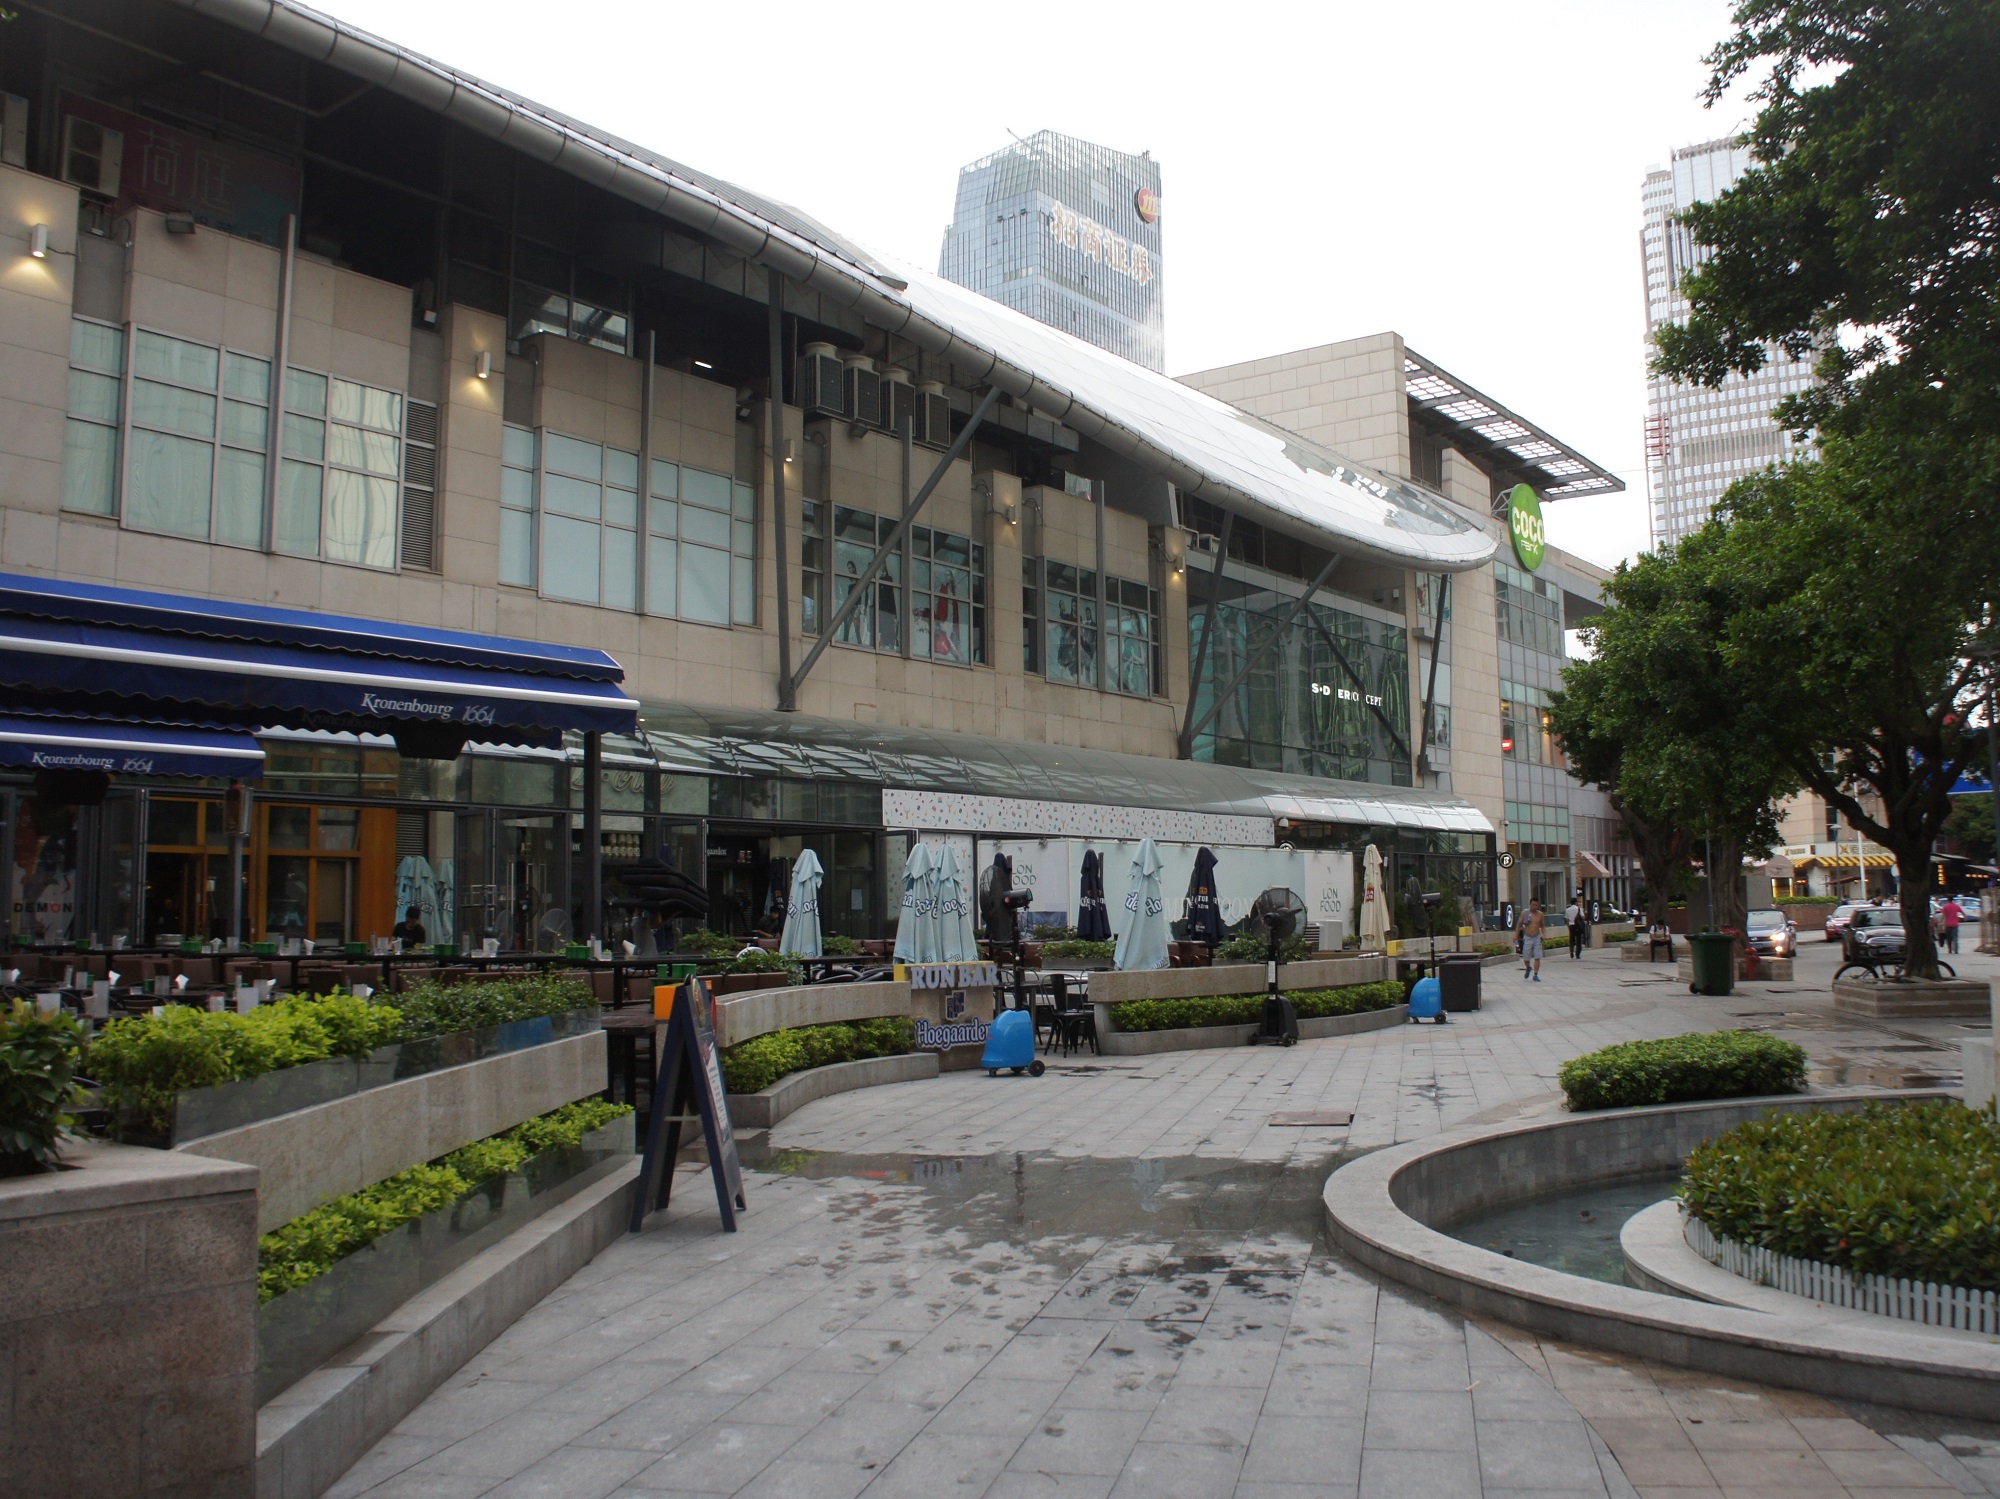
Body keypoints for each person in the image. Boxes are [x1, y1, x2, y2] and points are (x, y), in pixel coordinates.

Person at [1516, 899, 1547, 982]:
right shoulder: (1525, 913)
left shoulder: (1540, 914)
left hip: (1537, 937)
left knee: (1537, 956)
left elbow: (1543, 925)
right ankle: (1528, 967)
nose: (1534, 907)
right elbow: (1519, 925)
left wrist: (1543, 934)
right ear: (1530, 905)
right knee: (1526, 957)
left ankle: (1535, 974)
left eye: (1536, 905)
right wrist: (1516, 936)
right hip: (1528, 937)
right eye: (1533, 905)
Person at [1564, 892, 1587, 960]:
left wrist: (1568, 927)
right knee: (1579, 940)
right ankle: (1578, 954)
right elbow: (1583, 917)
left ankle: (1571, 951)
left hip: (1571, 926)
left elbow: (1566, 919)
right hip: (1578, 926)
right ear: (1575, 902)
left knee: (1572, 940)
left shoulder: (1567, 910)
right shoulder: (1579, 909)